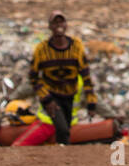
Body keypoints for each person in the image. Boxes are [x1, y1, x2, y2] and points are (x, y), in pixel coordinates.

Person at [28, 11, 98, 145]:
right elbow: (33, 77)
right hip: (51, 96)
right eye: (55, 23)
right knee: (63, 130)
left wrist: (91, 102)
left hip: (69, 96)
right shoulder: (42, 49)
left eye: (61, 22)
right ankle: (65, 156)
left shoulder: (76, 46)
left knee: (66, 130)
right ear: (50, 27)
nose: (58, 25)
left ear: (66, 25)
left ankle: (60, 155)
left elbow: (86, 75)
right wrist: (46, 98)